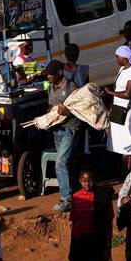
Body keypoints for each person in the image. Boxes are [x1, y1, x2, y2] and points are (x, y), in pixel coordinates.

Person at [43, 60, 86, 212]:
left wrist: (67, 112)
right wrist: (47, 115)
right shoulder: (51, 87)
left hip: (70, 129)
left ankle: (66, 199)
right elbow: (50, 104)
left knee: (60, 163)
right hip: (57, 130)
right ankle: (76, 195)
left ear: (59, 73)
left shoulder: (71, 87)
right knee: (68, 163)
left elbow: (81, 110)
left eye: (50, 74)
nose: (48, 77)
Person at [103, 46, 131, 172]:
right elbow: (118, 86)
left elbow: (128, 94)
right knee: (120, 142)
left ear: (124, 57)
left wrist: (110, 92)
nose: (116, 59)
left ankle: (128, 172)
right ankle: (123, 170)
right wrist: (108, 91)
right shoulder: (123, 69)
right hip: (119, 109)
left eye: (118, 56)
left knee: (129, 142)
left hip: (128, 112)